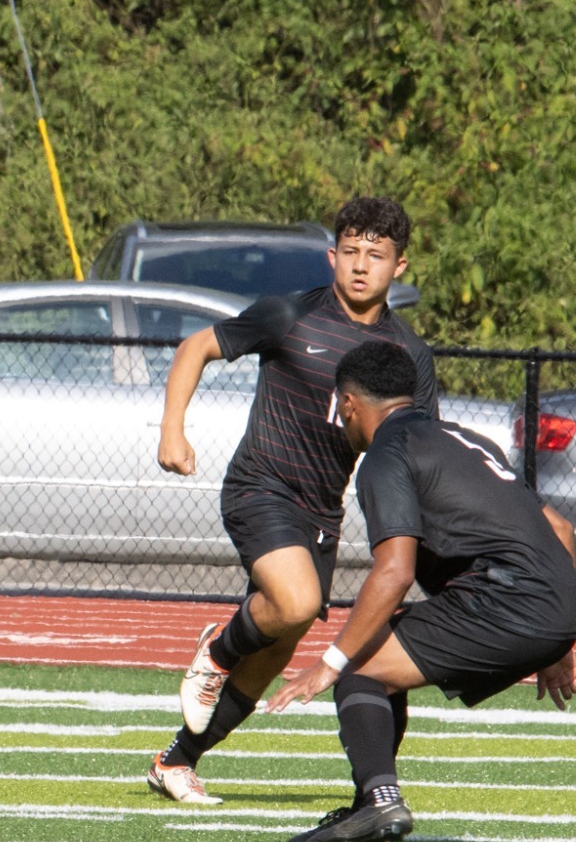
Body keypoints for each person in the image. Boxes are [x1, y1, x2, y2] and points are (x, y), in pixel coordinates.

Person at [149, 197, 439, 805]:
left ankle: (176, 760)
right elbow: (195, 347)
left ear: (400, 266)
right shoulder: (290, 315)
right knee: (297, 600)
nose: (362, 266)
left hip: (322, 515)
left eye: (377, 256)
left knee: (278, 644)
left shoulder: (409, 355)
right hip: (261, 485)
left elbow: (418, 443)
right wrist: (172, 430)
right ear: (333, 256)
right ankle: (217, 649)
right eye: (352, 252)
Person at [266, 341, 576, 842]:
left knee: (357, 668)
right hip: (557, 607)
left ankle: (379, 803)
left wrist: (329, 662)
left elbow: (394, 573)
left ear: (349, 405)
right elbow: (561, 531)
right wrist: (560, 643)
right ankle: (372, 801)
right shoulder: (465, 439)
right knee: (379, 664)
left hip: (506, 600)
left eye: (338, 410)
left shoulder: (385, 456)